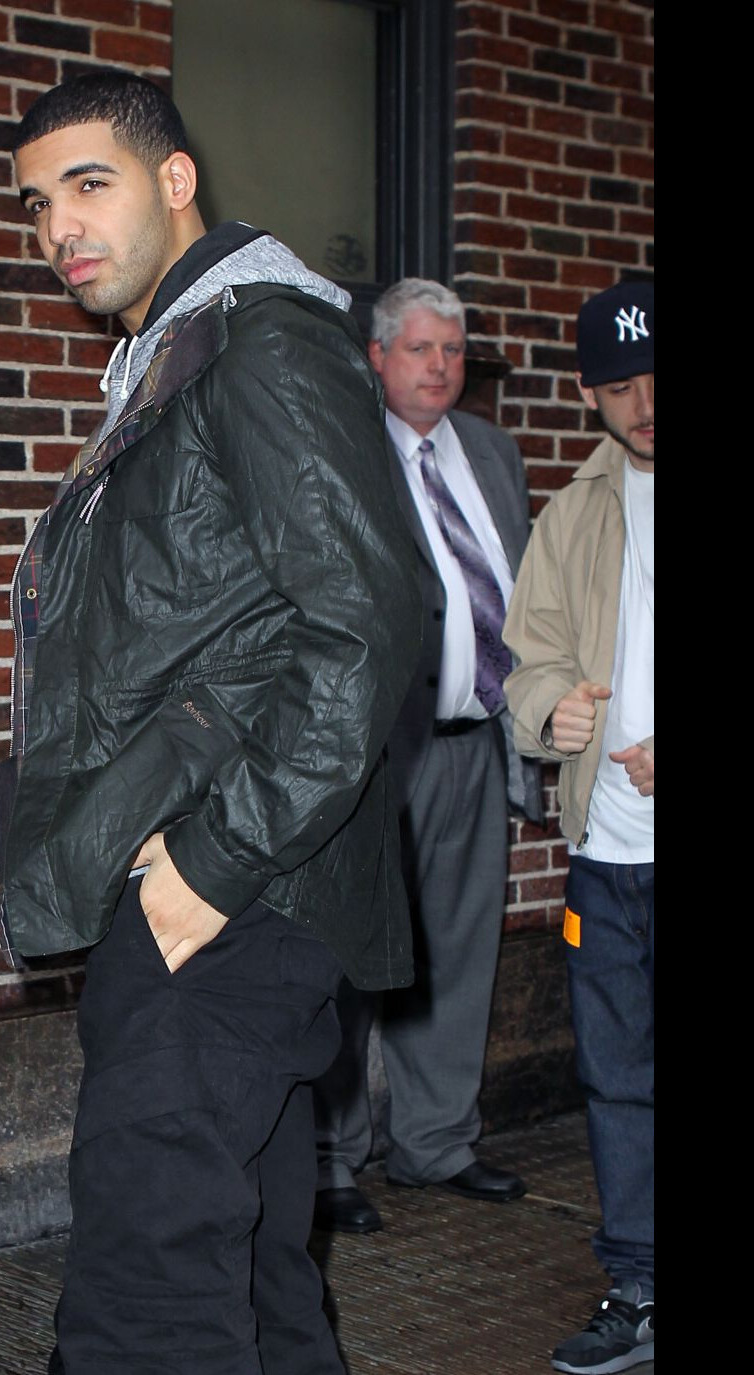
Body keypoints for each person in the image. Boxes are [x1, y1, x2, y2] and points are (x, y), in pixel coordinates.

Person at [0, 71, 421, 1374]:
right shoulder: (178, 355)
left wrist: (212, 867)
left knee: (146, 1296)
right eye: (35, 202)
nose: (57, 225)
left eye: (88, 183)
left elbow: (370, 616)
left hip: (228, 891)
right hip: (219, 890)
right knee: (249, 1271)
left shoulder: (261, 340)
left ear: (176, 180)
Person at [312, 279, 543, 1235]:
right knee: (358, 951)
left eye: (452, 351)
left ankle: (437, 1140)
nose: (441, 367)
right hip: (379, 754)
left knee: (458, 949)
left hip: (475, 742)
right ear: (376, 356)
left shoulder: (491, 451)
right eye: (420, 349)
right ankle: (331, 1158)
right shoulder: (343, 446)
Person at [502, 279, 653, 1375]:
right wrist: (548, 709)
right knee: (618, 1079)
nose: (644, 402)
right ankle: (641, 1287)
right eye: (621, 385)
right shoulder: (573, 509)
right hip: (605, 857)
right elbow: (531, 650)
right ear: (589, 393)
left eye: (658, 379)